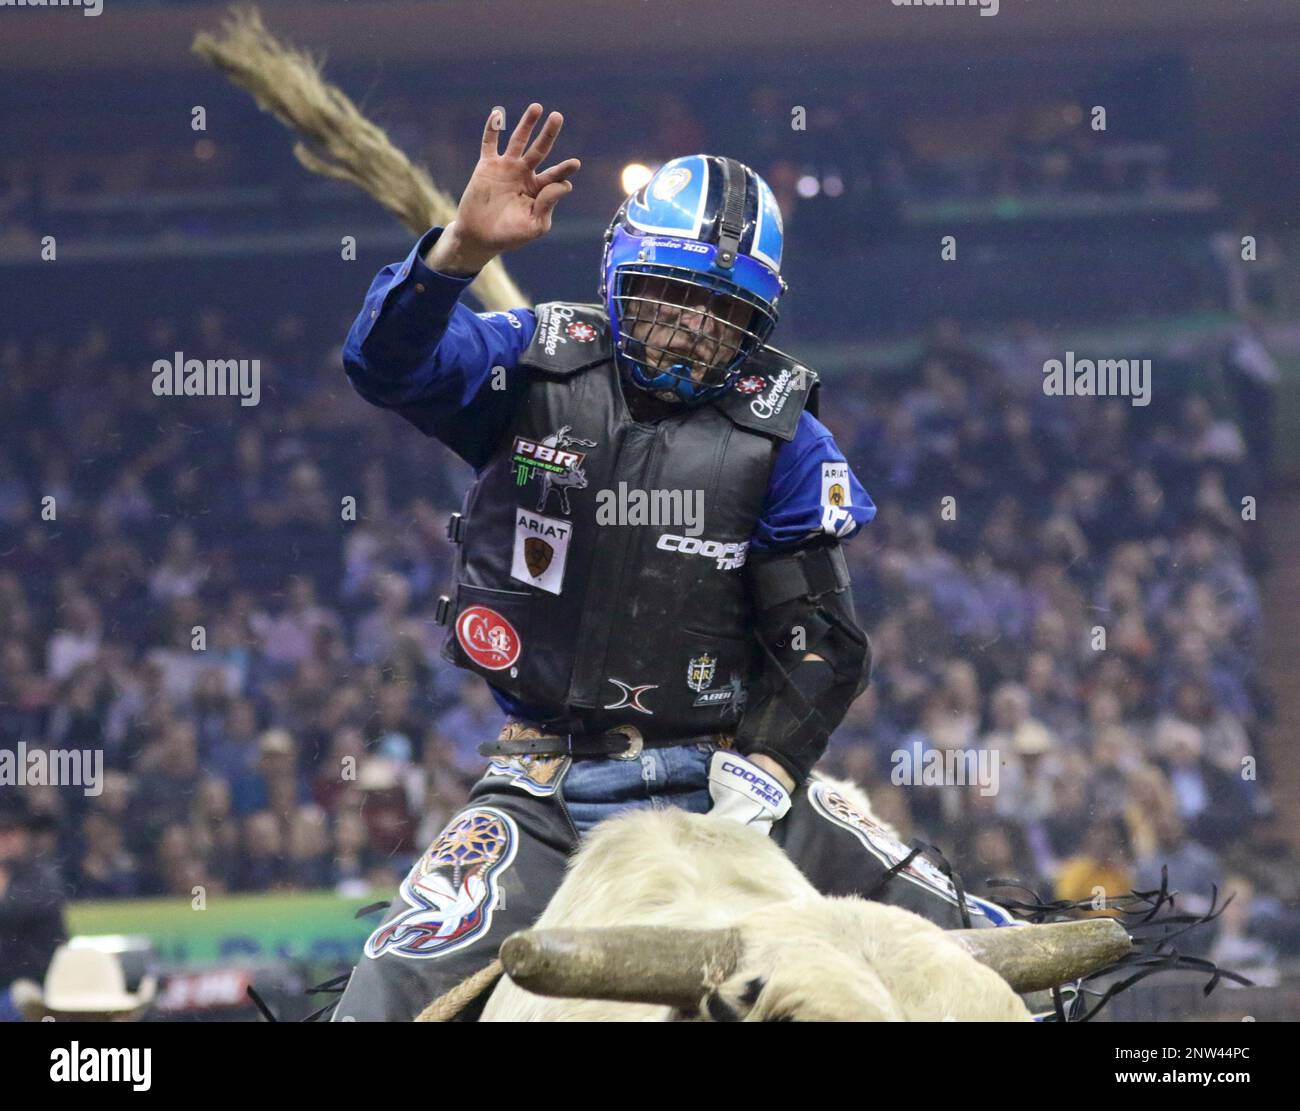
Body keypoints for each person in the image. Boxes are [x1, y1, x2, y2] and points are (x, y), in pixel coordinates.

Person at [334, 104, 1014, 1020]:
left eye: (720, 315)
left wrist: (767, 772)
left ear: (758, 324)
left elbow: (820, 640)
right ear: (618, 271)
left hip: (734, 779)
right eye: (668, 297)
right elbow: (383, 365)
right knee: (382, 988)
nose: (689, 331)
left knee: (991, 948)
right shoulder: (527, 362)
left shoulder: (787, 439)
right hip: (547, 784)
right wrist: (457, 248)